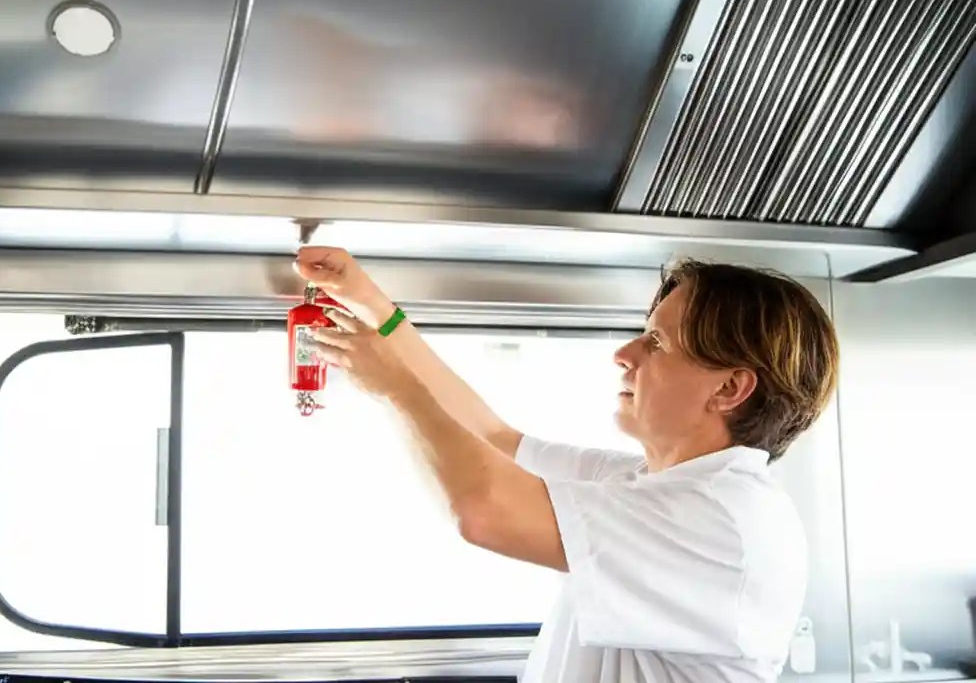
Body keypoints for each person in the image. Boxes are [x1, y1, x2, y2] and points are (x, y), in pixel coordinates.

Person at [294, 246, 839, 683]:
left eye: (657, 342)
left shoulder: (726, 518)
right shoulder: (644, 485)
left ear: (728, 387)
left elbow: (483, 511)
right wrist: (373, 306)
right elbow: (490, 436)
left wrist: (395, 387)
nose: (625, 354)